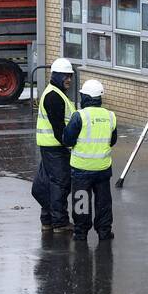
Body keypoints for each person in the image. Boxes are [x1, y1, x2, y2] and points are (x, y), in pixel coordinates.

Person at [63, 79, 117, 243]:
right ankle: (104, 232)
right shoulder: (110, 116)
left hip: (81, 169)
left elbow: (68, 140)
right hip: (102, 168)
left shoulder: (79, 116)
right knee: (103, 202)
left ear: (85, 97)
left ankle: (80, 233)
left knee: (81, 201)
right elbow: (112, 140)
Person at [32, 58, 76, 233]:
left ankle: (48, 220)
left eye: (70, 76)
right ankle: (59, 222)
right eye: (66, 76)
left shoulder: (55, 93)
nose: (69, 79)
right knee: (60, 183)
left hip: (50, 147)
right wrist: (70, 145)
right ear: (56, 76)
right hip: (56, 148)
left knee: (49, 183)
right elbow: (59, 129)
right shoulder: (54, 96)